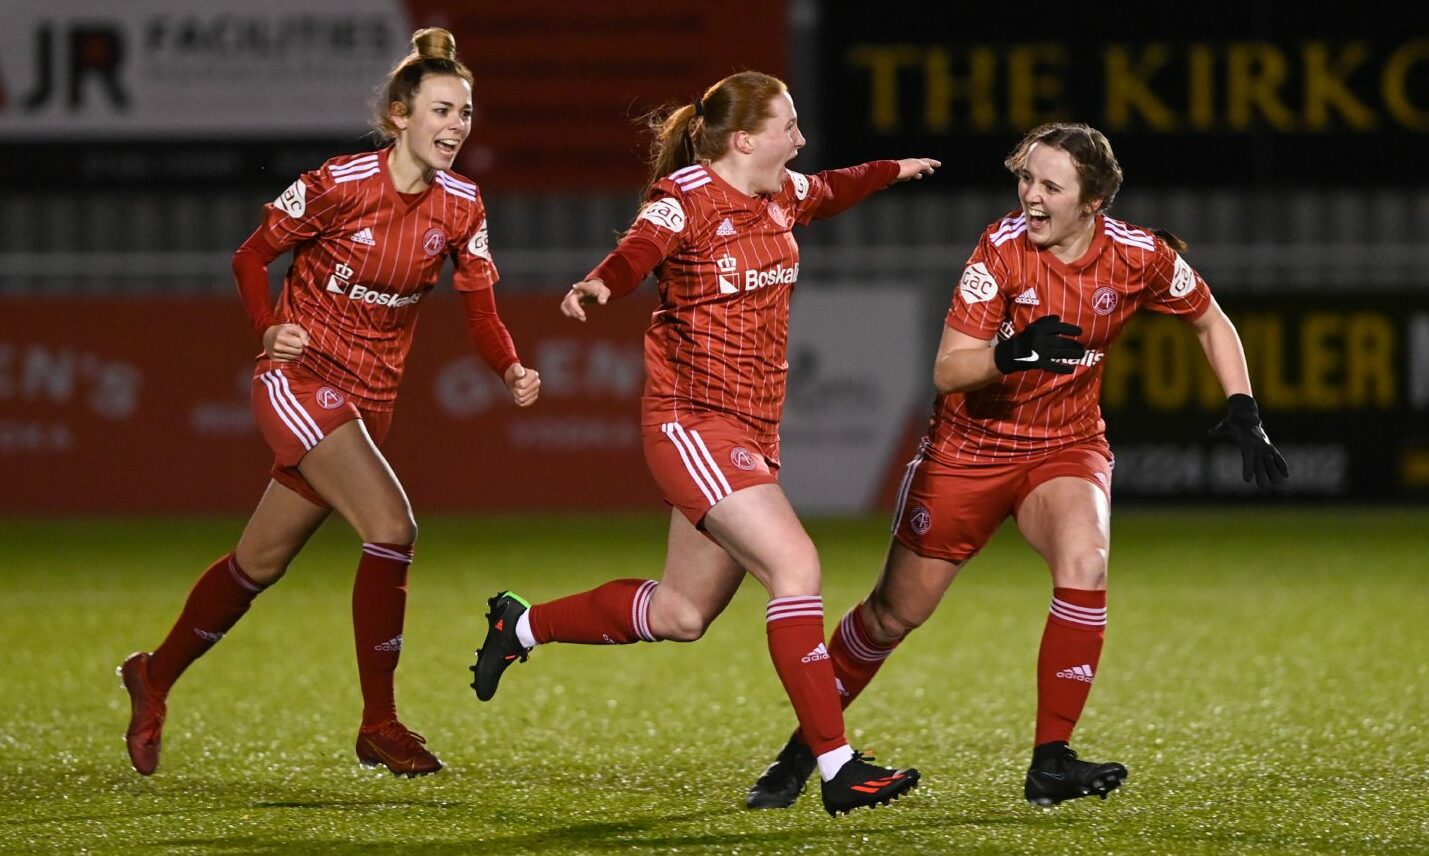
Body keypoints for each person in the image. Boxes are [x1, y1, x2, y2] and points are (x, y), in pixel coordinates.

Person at [741, 122, 1290, 809]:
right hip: (968, 453)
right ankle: (804, 753)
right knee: (890, 616)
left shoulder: (1138, 255)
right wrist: (1011, 352)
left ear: (1093, 201)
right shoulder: (998, 252)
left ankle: (1051, 761)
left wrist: (1243, 409)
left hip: (1065, 447)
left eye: (1048, 185)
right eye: (1024, 178)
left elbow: (1209, 318)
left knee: (1084, 563)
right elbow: (946, 371)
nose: (1029, 195)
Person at [467, 71, 939, 816]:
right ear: (745, 138)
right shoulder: (683, 197)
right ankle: (837, 767)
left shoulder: (780, 192)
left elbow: (831, 188)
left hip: (749, 430)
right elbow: (638, 250)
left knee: (681, 614)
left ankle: (519, 624)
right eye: (788, 124)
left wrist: (891, 171)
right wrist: (597, 286)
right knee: (795, 566)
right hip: (692, 423)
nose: (800, 138)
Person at [118, 27, 540, 778]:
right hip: (299, 378)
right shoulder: (338, 183)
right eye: (441, 110)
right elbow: (250, 256)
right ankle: (379, 723)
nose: (455, 126)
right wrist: (268, 325)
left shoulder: (463, 205)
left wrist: (508, 367)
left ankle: (152, 677)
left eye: (466, 114)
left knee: (259, 562)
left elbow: (480, 310)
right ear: (400, 115)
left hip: (369, 401)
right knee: (392, 525)